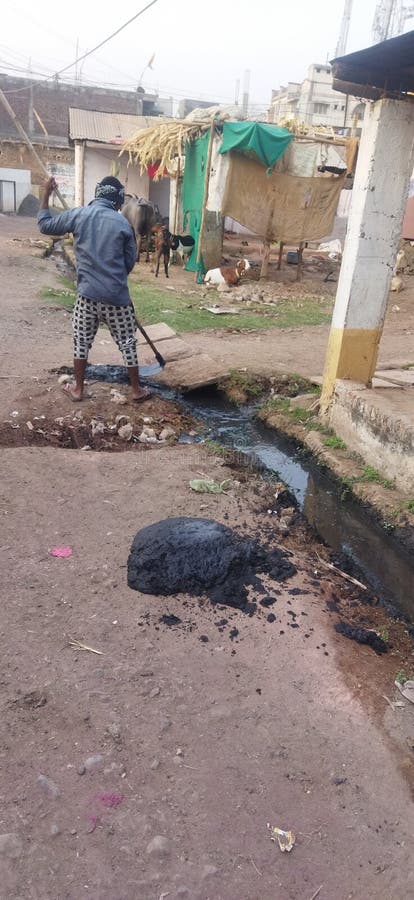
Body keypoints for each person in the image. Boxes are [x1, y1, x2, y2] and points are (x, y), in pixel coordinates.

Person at [37, 175, 150, 403]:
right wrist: (114, 279)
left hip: (87, 297)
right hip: (117, 298)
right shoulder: (123, 225)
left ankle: (78, 389)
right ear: (117, 201)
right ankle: (136, 390)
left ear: (98, 194)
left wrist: (46, 194)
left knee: (81, 342)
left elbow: (45, 225)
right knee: (127, 342)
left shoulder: (79, 215)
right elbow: (129, 262)